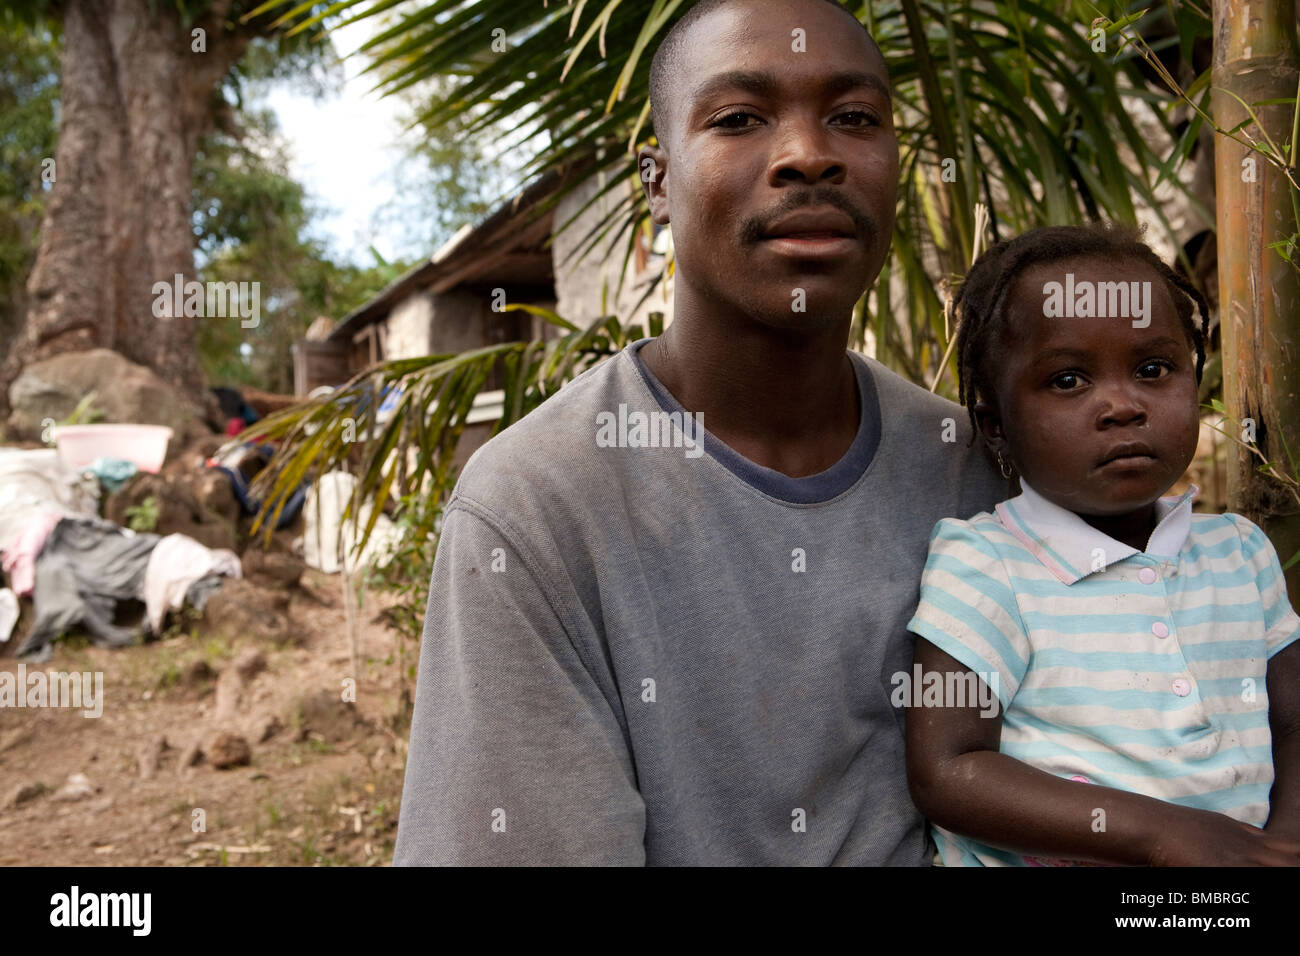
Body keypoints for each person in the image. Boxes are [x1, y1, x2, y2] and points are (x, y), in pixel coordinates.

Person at [393, 0, 1013, 865]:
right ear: (657, 182)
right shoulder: (535, 508)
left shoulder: (975, 473)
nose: (809, 155)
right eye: (738, 119)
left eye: (854, 118)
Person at [904, 224, 1300, 866]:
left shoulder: (1240, 553)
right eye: (1067, 380)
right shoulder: (987, 565)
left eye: (1152, 369)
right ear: (995, 426)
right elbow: (948, 770)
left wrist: (1283, 846)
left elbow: (1294, 721)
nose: (1122, 405)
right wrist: (1169, 834)